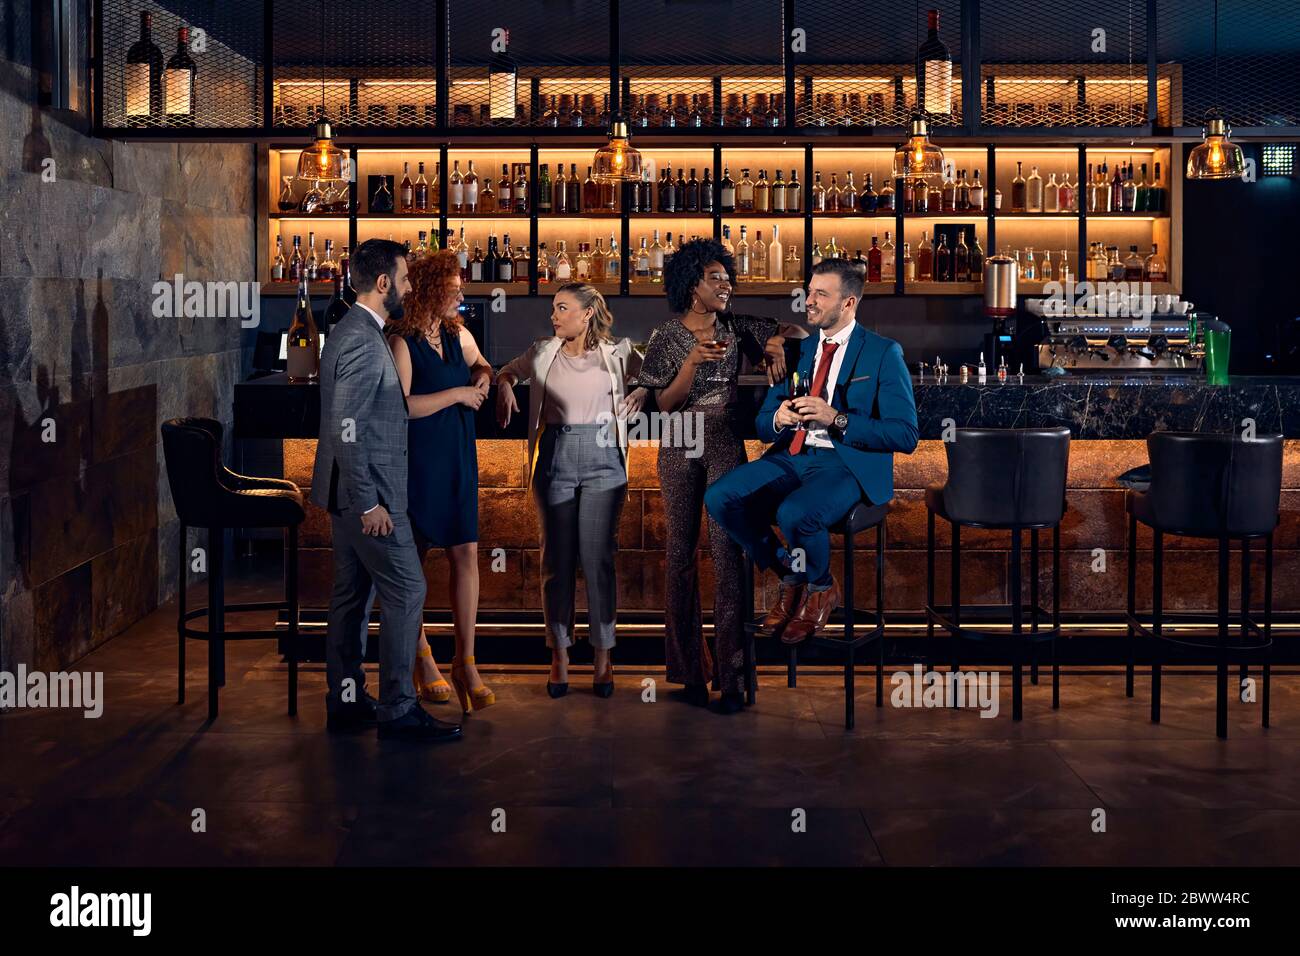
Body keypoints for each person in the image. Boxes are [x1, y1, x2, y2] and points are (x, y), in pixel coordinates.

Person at [704, 258, 918, 645]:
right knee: (720, 496)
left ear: (849, 303)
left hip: (846, 464)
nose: (810, 301)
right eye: (810, 291)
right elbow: (762, 422)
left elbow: (905, 434)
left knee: (794, 513)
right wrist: (780, 418)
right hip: (791, 455)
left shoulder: (884, 353)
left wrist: (837, 419)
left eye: (821, 294)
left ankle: (820, 590)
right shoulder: (797, 351)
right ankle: (791, 574)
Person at [312, 238, 462, 742]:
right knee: (408, 589)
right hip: (365, 496)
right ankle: (398, 708)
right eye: (404, 278)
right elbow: (345, 425)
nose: (410, 286)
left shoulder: (354, 329)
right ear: (383, 284)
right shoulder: (361, 336)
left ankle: (346, 700)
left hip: (348, 493)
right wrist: (371, 502)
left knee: (351, 597)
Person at [637, 238, 790, 714]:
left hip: (723, 435)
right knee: (680, 556)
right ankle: (689, 671)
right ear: (692, 285)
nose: (726, 285)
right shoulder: (667, 335)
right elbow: (662, 404)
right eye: (716, 278)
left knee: (730, 555)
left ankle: (734, 676)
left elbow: (793, 324)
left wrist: (777, 340)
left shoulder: (737, 326)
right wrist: (690, 364)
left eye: (728, 278)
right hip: (680, 438)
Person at [496, 284, 646, 699]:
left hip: (605, 460)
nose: (554, 316)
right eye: (553, 308)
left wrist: (641, 390)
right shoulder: (543, 351)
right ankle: (559, 654)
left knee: (598, 561)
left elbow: (656, 375)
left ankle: (603, 655)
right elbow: (506, 370)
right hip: (555, 457)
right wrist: (506, 384)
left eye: (562, 308)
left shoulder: (619, 352)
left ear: (587, 314)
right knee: (556, 562)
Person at [386, 249, 496, 714]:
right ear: (431, 289)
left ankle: (465, 662)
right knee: (413, 560)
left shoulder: (458, 333)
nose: (462, 295)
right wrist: (457, 394)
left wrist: (495, 383)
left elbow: (484, 367)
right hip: (417, 461)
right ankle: (422, 655)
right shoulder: (401, 341)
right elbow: (402, 407)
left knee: (466, 552)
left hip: (456, 456)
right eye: (454, 289)